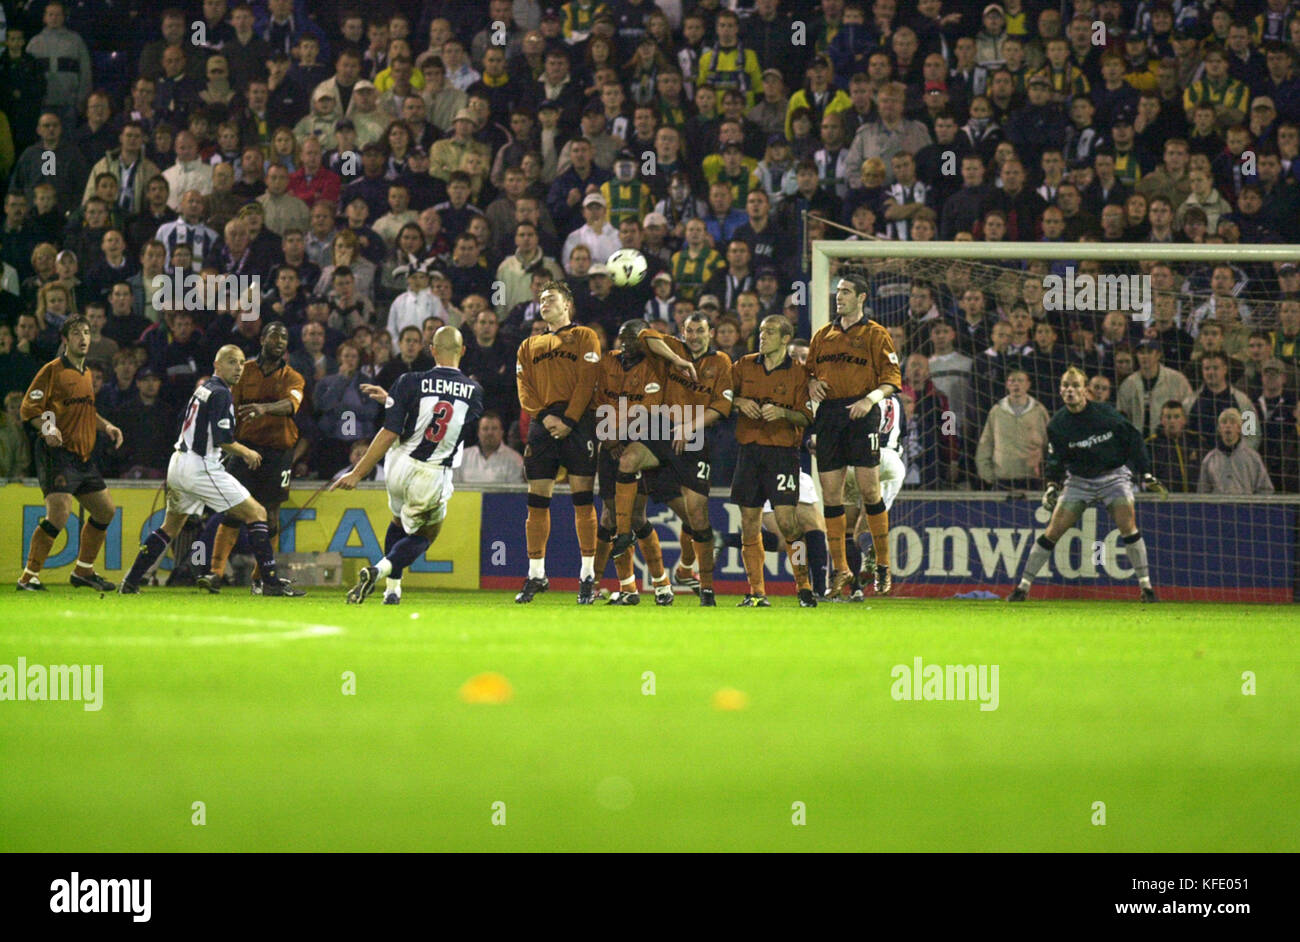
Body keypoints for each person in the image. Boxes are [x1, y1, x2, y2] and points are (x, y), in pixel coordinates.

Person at [119, 345, 303, 596]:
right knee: (258, 513)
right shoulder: (220, 393)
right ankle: (269, 582)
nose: (238, 368)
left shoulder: (203, 389)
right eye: (231, 362)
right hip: (200, 467)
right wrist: (247, 452)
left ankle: (130, 580)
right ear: (217, 365)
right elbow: (223, 439)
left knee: (169, 528)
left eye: (240, 362)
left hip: (179, 464)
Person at [334, 326, 484, 605]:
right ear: (462, 351)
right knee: (427, 532)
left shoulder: (408, 381)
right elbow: (452, 428)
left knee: (397, 521)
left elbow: (390, 432)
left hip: (398, 465)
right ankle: (379, 570)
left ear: (432, 350)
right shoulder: (475, 392)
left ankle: (393, 590)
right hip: (432, 472)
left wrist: (357, 472)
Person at [1007, 366, 1167, 603]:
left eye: (1075, 386)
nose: (1070, 390)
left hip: (1113, 477)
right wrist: (1052, 485)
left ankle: (1147, 588)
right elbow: (1056, 459)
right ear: (1060, 390)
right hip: (1079, 481)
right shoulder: (1058, 424)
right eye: (1065, 386)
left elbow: (1133, 438)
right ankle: (1022, 588)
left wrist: (1145, 472)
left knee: (1128, 526)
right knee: (1052, 532)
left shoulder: (1106, 414)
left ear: (1085, 391)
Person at [806, 274, 903, 598]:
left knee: (869, 491)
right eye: (838, 292)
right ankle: (841, 570)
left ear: (861, 297)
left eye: (846, 292)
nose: (839, 296)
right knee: (831, 497)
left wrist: (869, 400)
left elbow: (891, 379)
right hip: (830, 415)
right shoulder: (823, 335)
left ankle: (883, 565)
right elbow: (807, 373)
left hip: (862, 413)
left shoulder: (876, 334)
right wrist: (810, 384)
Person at [196, 321, 305, 593]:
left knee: (270, 514)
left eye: (283, 338)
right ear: (262, 340)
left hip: (278, 453)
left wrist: (263, 408)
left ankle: (261, 578)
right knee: (232, 510)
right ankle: (215, 573)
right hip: (245, 449)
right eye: (273, 337)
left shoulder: (293, 377)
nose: (279, 341)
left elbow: (292, 405)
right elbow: (227, 406)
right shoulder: (244, 372)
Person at [17, 316, 123, 591]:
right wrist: (48, 428)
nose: (83, 338)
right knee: (59, 514)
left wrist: (107, 426)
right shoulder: (51, 370)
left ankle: (83, 572)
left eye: (87, 332)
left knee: (105, 511)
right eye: (77, 333)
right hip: (57, 454)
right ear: (65, 339)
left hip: (83, 456)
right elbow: (29, 410)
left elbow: (88, 410)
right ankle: (29, 577)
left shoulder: (86, 373)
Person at [514, 280, 602, 604]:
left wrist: (570, 420)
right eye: (541, 299)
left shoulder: (585, 337)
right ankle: (536, 573)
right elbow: (523, 388)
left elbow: (587, 381)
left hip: (578, 424)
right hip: (543, 423)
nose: (544, 302)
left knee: (582, 499)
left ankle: (587, 575)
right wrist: (543, 416)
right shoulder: (528, 345)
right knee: (536, 501)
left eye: (550, 298)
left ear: (567, 305)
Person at [729, 314, 818, 608]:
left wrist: (782, 413)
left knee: (788, 523)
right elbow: (721, 395)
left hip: (782, 454)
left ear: (785, 339)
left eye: (769, 332)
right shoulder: (743, 365)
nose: (762, 336)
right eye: (761, 331)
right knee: (749, 522)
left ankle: (804, 585)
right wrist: (738, 402)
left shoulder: (798, 373)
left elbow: (807, 415)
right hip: (749, 452)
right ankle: (756, 591)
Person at [975, 369, 1050, 489]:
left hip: (1032, 478)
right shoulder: (997, 411)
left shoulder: (1039, 410)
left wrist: (1048, 473)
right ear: (1007, 385)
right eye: (1012, 381)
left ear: (1028, 384)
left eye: (1020, 380)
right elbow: (986, 443)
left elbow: (1049, 443)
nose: (1016, 384)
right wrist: (987, 474)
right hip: (1003, 478)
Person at [1198, 408, 1275, 495]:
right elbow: (1203, 493)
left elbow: (1265, 489)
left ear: (1239, 428)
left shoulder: (1253, 457)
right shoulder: (1209, 459)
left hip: (1246, 508)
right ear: (1219, 429)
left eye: (1232, 422)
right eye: (1224, 422)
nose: (1228, 425)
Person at [454, 412, 526, 484]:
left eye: (494, 428)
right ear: (478, 433)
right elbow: (454, 488)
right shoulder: (462, 457)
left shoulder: (515, 459)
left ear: (502, 432)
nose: (490, 433)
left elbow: (517, 492)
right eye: (485, 429)